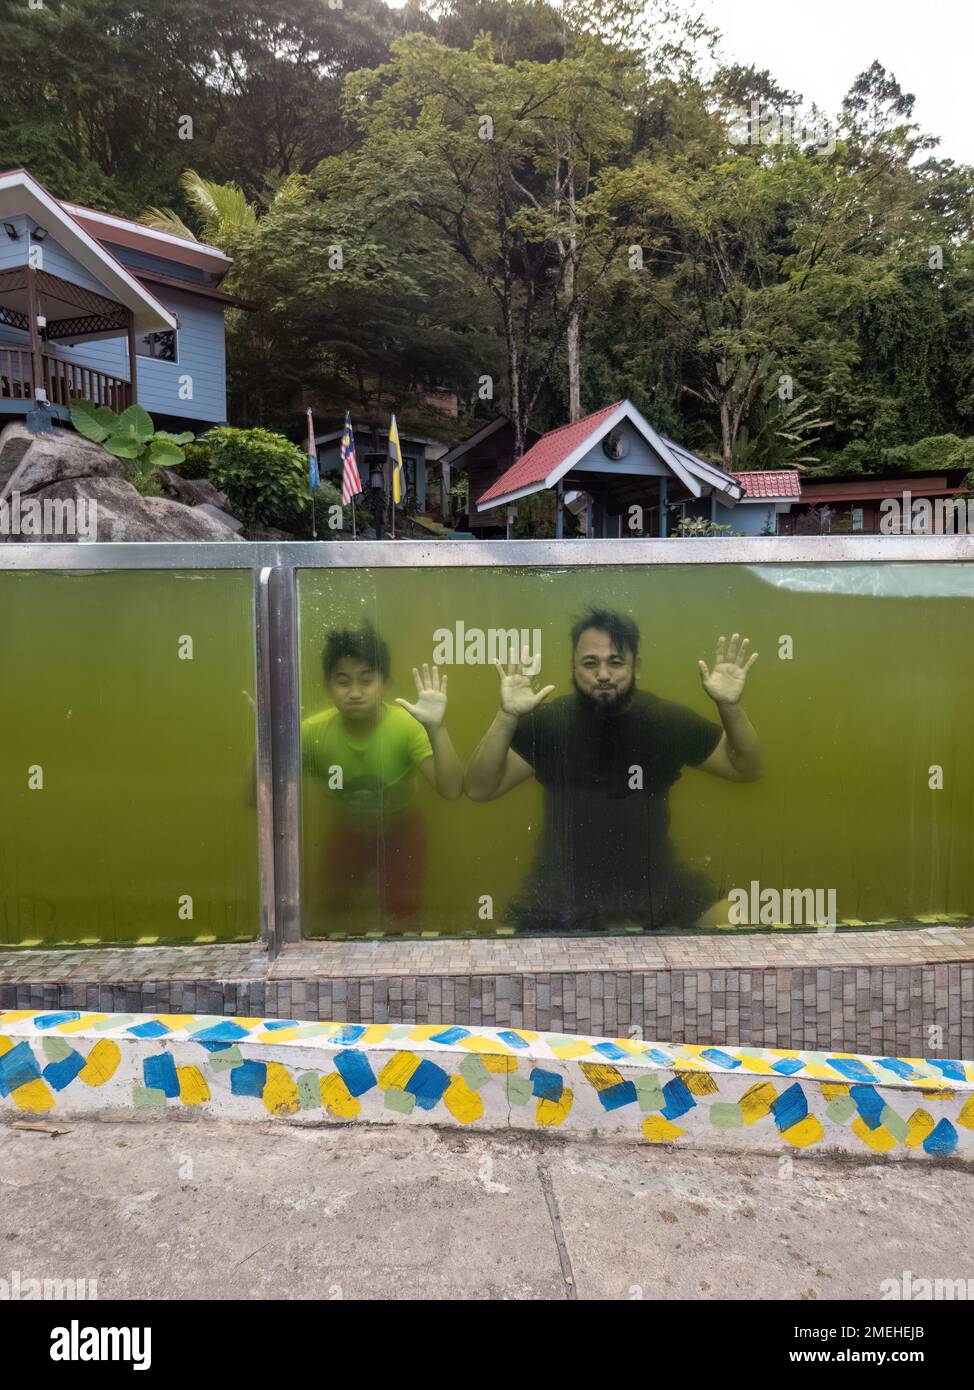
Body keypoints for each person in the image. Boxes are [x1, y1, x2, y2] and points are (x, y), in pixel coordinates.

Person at [464, 608, 762, 932]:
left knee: (737, 924)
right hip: (563, 887)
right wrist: (507, 716)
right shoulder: (551, 723)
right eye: (590, 663)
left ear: (636, 668)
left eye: (616, 662)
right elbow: (480, 788)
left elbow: (746, 768)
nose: (603, 674)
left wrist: (729, 706)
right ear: (572, 670)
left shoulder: (664, 721)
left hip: (653, 882)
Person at [302, 624, 462, 925]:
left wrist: (436, 728)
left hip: (402, 829)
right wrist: (263, 741)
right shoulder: (312, 733)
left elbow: (452, 790)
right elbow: (254, 797)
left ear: (386, 683)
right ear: (327, 686)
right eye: (343, 681)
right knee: (327, 916)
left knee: (404, 917)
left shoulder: (406, 727)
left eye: (366, 680)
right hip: (345, 831)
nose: (355, 693)